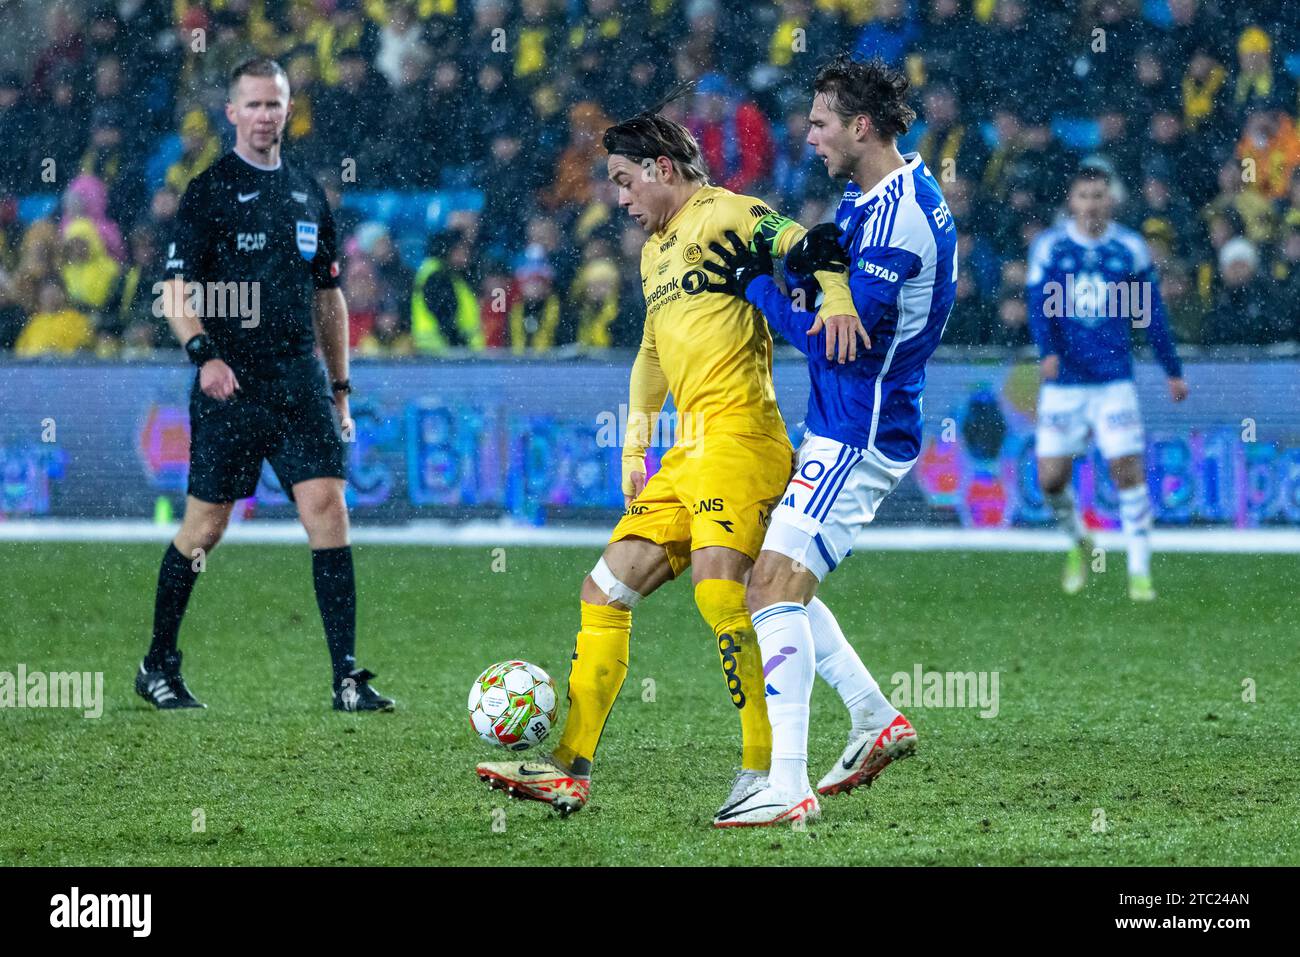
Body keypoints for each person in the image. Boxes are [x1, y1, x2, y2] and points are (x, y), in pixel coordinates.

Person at [475, 93, 860, 822]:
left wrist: (834, 300)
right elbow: (653, 350)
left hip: (742, 434)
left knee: (724, 592)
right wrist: (635, 442)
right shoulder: (655, 251)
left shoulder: (727, 212)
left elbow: (806, 244)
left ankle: (765, 771)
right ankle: (568, 768)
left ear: (659, 167)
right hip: (686, 450)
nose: (618, 198)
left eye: (623, 181)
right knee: (604, 589)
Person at [701, 55, 951, 825]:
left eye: (818, 123)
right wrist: (795, 268)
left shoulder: (900, 219)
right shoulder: (869, 195)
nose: (806, 137)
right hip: (841, 423)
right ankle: (874, 716)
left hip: (858, 431)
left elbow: (834, 342)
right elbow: (829, 288)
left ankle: (787, 784)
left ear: (861, 126)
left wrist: (755, 286)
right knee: (773, 579)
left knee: (770, 587)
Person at [136, 58, 393, 713]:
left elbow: (328, 297)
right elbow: (173, 292)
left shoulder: (308, 192)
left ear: (288, 109)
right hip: (230, 384)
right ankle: (157, 663)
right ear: (232, 113)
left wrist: (340, 390)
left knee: (328, 509)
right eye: (252, 104)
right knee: (204, 528)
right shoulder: (209, 190)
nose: (264, 116)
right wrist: (204, 356)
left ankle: (346, 677)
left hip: (298, 380)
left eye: (274, 104)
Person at [1027, 166, 1188, 602]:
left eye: (1099, 195)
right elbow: (1037, 307)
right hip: (1065, 384)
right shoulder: (1051, 247)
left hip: (1114, 380)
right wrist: (1049, 353)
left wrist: (1172, 370)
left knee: (1127, 472)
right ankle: (1080, 541)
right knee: (1050, 480)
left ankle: (1139, 572)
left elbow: (1151, 314)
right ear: (1072, 202)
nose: (1092, 203)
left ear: (1110, 201)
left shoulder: (1129, 248)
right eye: (1084, 195)